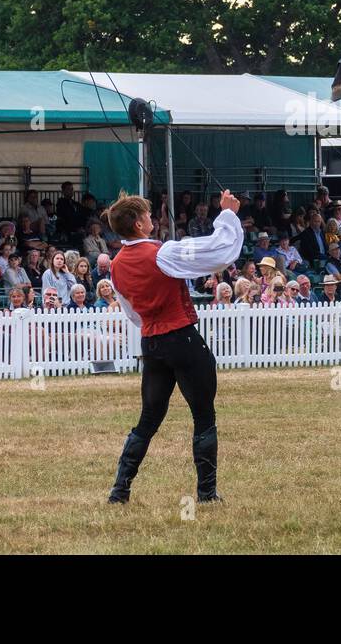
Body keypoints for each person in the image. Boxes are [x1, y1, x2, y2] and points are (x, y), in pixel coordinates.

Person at [105, 188, 243, 505]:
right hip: (181, 337)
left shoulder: (116, 265)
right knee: (204, 416)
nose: (151, 219)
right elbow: (218, 252)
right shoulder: (161, 253)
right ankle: (206, 493)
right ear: (139, 225)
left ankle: (120, 490)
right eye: (147, 216)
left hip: (151, 343)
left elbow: (132, 312)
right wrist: (227, 214)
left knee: (148, 419)